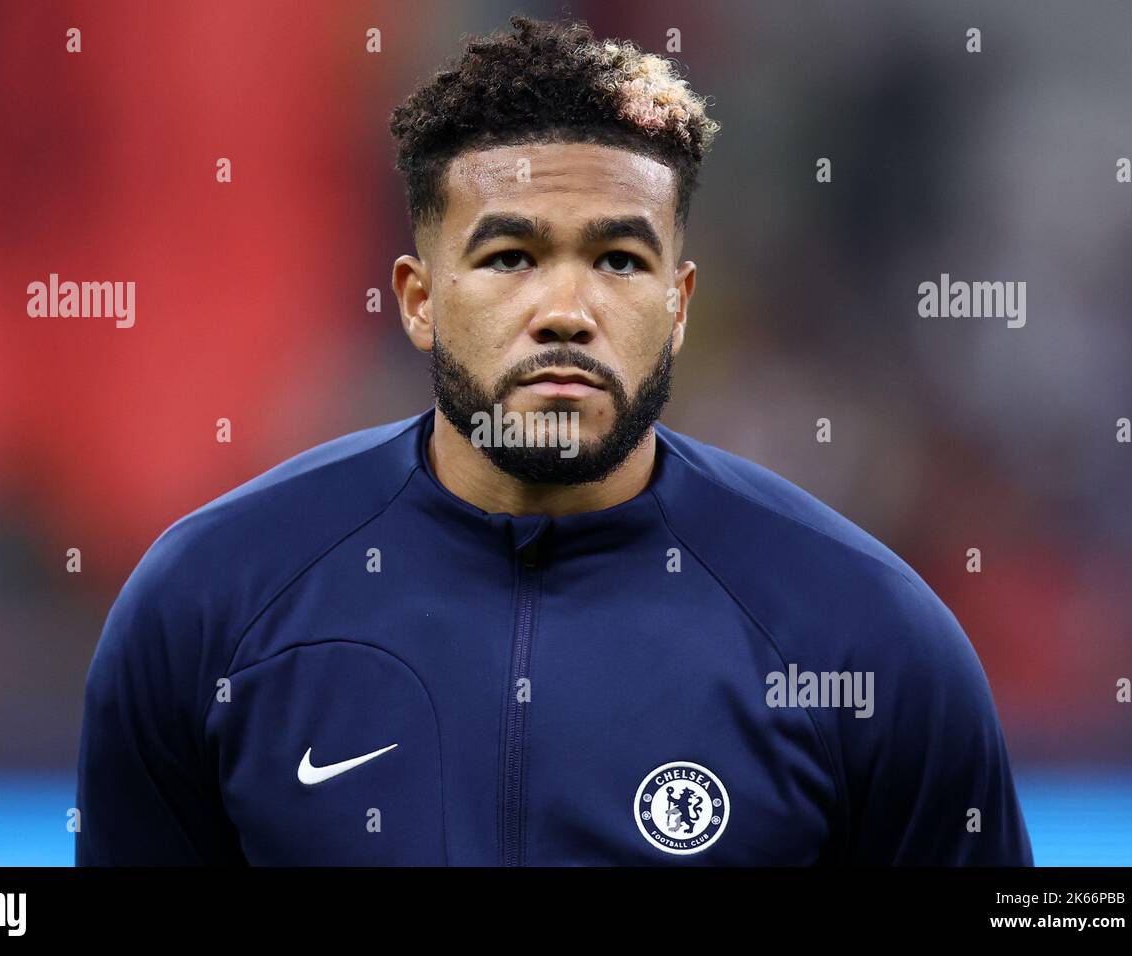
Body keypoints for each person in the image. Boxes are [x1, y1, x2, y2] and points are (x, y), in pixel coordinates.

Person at [76, 15, 1032, 865]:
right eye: (510, 257)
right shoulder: (208, 604)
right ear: (417, 299)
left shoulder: (866, 635)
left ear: (680, 304)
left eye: (618, 259)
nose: (566, 311)